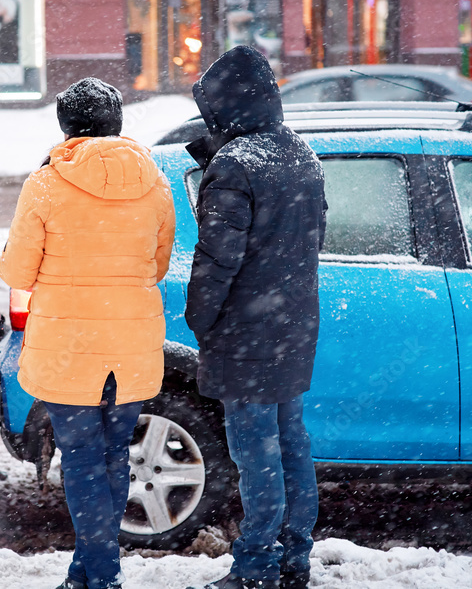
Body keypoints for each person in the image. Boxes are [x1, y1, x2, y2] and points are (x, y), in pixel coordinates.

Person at [0, 78, 175, 589]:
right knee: (115, 454)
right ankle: (88, 571)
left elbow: (17, 273)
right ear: (117, 123)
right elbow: (158, 265)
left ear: (66, 127)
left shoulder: (47, 183)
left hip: (67, 347)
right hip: (131, 342)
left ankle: (101, 576)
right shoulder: (154, 180)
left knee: (79, 457)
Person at [184, 46, 327, 589]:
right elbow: (310, 240)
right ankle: (295, 557)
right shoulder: (302, 155)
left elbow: (217, 259)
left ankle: (255, 565)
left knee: (254, 448)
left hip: (245, 331)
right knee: (291, 440)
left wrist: (202, 320)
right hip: (293, 323)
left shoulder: (236, 165)